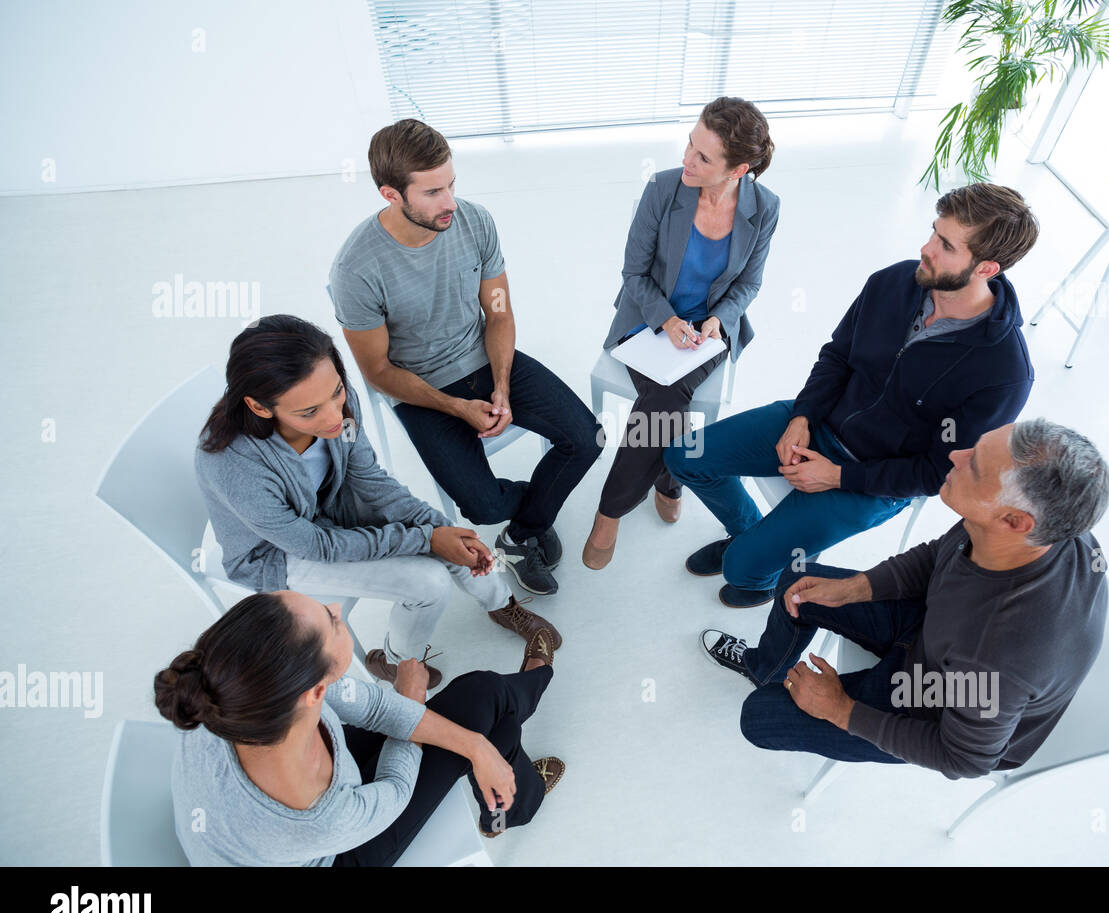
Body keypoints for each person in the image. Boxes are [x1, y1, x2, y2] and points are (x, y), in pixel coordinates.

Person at [664, 183, 1040, 608]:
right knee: (683, 458)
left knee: (740, 570)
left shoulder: (1005, 373)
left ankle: (753, 574)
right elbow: (838, 356)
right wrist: (802, 417)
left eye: (946, 245)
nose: (926, 247)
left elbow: (937, 472)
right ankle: (748, 534)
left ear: (987, 269)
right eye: (934, 232)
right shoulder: (895, 281)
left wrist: (839, 477)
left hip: (872, 482)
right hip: (821, 423)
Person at [699, 418, 1109, 780]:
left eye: (975, 465)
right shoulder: (1030, 531)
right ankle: (764, 667)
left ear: (1012, 520)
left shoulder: (1005, 657)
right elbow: (940, 555)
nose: (955, 455)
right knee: (799, 582)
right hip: (934, 627)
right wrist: (856, 587)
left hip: (928, 699)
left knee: (758, 716)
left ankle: (788, 694)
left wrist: (839, 708)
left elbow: (964, 759)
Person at [194, 315, 559, 688]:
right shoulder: (233, 466)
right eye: (309, 413)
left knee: (450, 535)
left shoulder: (337, 400)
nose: (336, 416)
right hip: (277, 553)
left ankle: (502, 606)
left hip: (329, 506)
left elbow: (368, 479)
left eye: (336, 392)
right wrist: (425, 539)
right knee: (429, 583)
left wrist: (435, 527)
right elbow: (316, 544)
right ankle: (396, 662)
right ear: (259, 407)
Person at [329, 118, 604, 596]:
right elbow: (377, 372)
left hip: (486, 358)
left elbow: (498, 313)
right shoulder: (356, 270)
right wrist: (456, 407)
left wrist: (501, 384)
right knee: (484, 509)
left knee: (588, 438)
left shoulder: (473, 221)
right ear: (391, 194)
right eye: (433, 192)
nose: (450, 202)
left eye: (452, 184)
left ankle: (521, 536)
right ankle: (526, 511)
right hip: (418, 387)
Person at [157, 589, 563, 866]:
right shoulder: (322, 816)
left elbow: (367, 704)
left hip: (267, 827)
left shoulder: (235, 687)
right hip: (339, 852)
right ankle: (519, 779)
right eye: (333, 620)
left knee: (487, 721)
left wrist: (477, 748)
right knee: (490, 712)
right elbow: (395, 787)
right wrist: (412, 696)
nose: (336, 607)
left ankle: (508, 793)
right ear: (314, 692)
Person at [583, 96, 780, 570]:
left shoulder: (765, 208)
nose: (686, 160)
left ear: (738, 169)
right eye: (690, 144)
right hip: (646, 319)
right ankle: (666, 484)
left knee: (667, 395)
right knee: (668, 398)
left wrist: (717, 320)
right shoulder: (663, 189)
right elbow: (633, 273)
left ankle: (609, 512)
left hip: (707, 332)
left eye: (703, 157)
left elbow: (749, 282)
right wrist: (666, 319)